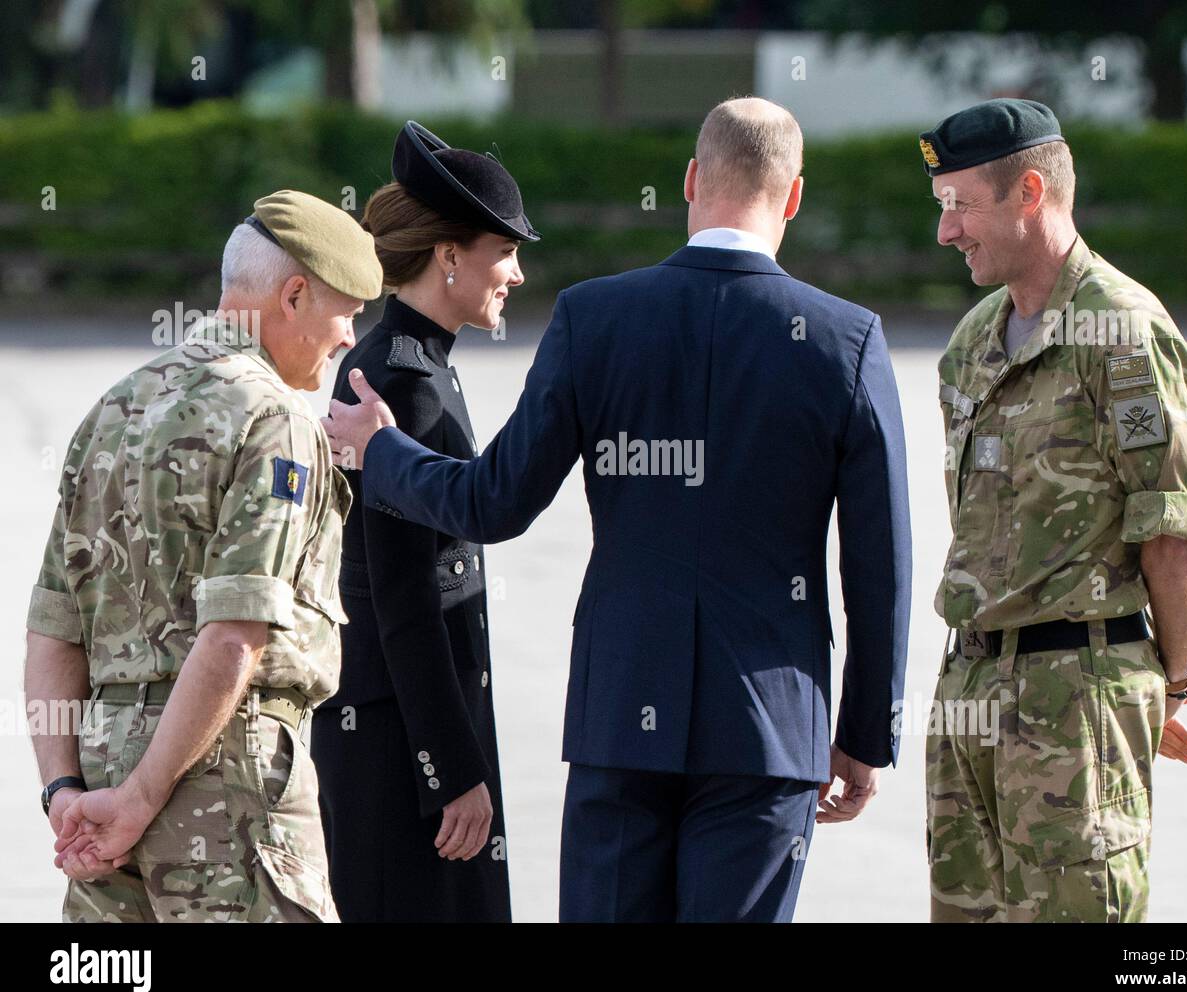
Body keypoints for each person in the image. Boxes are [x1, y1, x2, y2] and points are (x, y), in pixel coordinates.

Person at [323, 97, 912, 923]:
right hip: (768, 734)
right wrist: (864, 733)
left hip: (619, 721)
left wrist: (382, 452)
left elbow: (492, 500)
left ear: (691, 181)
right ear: (795, 196)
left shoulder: (595, 317)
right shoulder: (847, 340)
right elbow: (879, 566)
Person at [25, 190, 383, 921]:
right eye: (346, 312)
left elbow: (52, 630)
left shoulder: (112, 410)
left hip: (101, 778)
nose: (349, 337)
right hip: (227, 780)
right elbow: (232, 635)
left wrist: (64, 792)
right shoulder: (276, 418)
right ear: (293, 295)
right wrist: (143, 797)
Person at [919, 99, 1187, 922]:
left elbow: (1172, 534)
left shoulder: (1119, 330)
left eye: (959, 206)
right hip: (969, 686)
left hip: (1076, 695)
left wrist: (1173, 688)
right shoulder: (974, 340)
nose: (946, 231)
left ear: (1029, 192)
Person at [311, 121, 536, 922]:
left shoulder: (411, 362)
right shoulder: (401, 381)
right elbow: (398, 592)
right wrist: (451, 767)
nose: (514, 271)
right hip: (399, 747)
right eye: (502, 250)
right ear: (449, 255)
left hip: (404, 731)